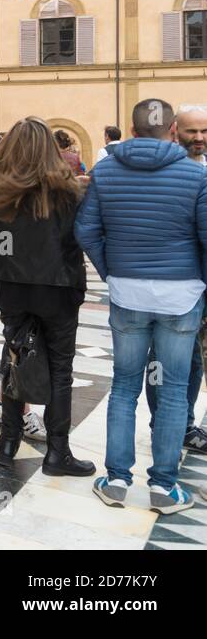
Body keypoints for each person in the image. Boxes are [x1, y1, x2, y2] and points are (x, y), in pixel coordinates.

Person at [76, 98, 207, 514]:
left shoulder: (105, 171)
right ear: (172, 131)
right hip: (181, 294)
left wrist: (112, 269)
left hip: (127, 293)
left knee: (124, 385)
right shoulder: (195, 173)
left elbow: (86, 229)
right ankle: (164, 488)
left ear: (132, 131)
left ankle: (116, 480)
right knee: (172, 393)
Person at [0, 117, 94, 477]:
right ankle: (57, 452)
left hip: (14, 285)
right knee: (61, 369)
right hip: (59, 285)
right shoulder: (69, 188)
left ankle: (8, 442)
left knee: (16, 357)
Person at [144, 106, 207, 456]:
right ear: (173, 131)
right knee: (161, 359)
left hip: (199, 283)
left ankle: (182, 423)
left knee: (193, 358)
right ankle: (165, 424)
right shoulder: (159, 169)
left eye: (204, 131)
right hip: (167, 283)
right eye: (191, 131)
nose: (198, 138)